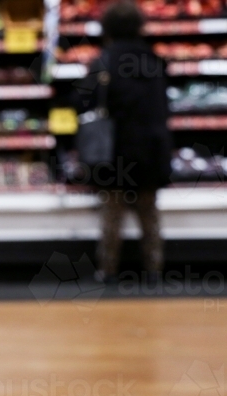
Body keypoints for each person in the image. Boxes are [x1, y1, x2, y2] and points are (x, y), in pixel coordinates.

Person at [80, 0, 172, 282]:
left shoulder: (103, 62)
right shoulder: (154, 61)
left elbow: (84, 101)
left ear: (106, 28)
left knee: (111, 216)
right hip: (151, 150)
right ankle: (154, 271)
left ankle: (107, 271)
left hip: (114, 152)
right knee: (149, 214)